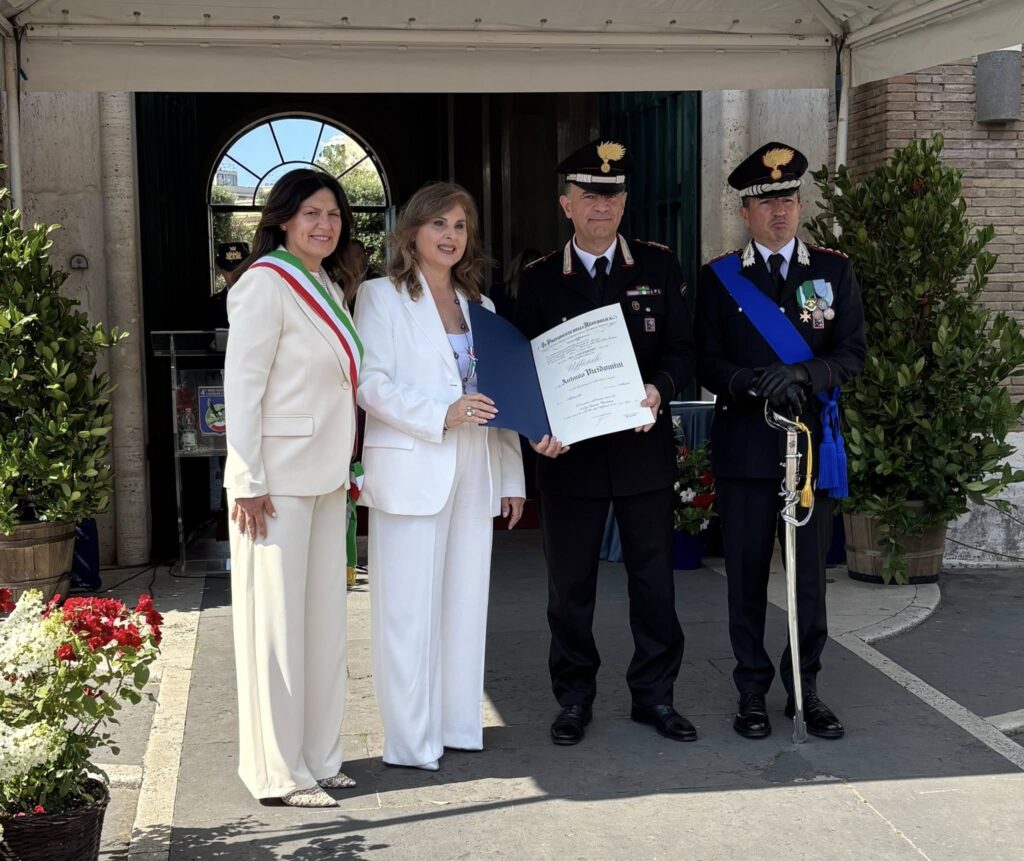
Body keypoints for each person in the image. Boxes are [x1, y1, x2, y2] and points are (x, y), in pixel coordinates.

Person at [514, 138, 697, 746]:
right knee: (570, 589)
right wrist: (536, 428)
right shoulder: (540, 279)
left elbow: (682, 349)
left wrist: (658, 388)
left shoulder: (657, 266)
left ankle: (655, 696)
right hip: (571, 460)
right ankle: (574, 698)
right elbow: (523, 368)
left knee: (654, 583)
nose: (602, 206)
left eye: (613, 194)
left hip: (641, 452)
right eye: (589, 195)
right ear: (566, 204)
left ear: (624, 201)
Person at [695, 142, 866, 740]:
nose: (780, 211)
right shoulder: (720, 278)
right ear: (745, 211)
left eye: (789, 199)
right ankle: (750, 690)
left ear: (800, 205)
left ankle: (805, 688)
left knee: (809, 579)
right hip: (746, 448)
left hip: (809, 450)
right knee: (744, 575)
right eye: (767, 202)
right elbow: (705, 360)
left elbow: (852, 353)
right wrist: (749, 382)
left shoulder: (833, 271)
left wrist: (803, 373)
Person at [354, 182, 526, 771]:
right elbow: (370, 384)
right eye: (438, 224)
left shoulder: (483, 308)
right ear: (411, 232)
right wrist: (441, 414)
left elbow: (500, 396)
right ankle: (411, 741)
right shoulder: (380, 296)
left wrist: (511, 478)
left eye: (460, 225)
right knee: (407, 612)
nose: (450, 235)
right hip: (412, 466)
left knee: (464, 606)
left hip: (475, 469)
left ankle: (456, 725)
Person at [223, 168, 363, 808]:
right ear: (282, 220)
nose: (324, 225)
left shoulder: (328, 283)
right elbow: (242, 390)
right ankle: (280, 772)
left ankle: (319, 757)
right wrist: (247, 480)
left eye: (333, 214)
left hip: (326, 476)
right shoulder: (263, 283)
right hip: (275, 483)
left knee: (323, 625)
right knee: (276, 630)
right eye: (311, 213)